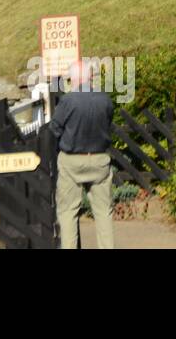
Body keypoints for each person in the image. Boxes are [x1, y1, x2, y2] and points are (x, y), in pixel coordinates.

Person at [49, 59, 115, 249]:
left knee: (68, 212)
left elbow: (54, 129)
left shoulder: (67, 101)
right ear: (90, 77)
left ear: (74, 79)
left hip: (71, 161)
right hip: (100, 160)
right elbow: (108, 123)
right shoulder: (105, 100)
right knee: (104, 212)